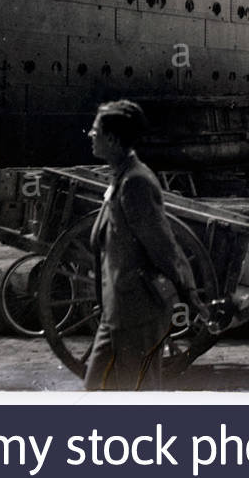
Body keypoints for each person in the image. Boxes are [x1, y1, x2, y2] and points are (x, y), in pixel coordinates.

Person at [84, 100, 207, 391]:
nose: (90, 134)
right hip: (117, 312)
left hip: (137, 314)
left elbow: (164, 247)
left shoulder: (135, 182)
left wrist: (189, 294)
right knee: (95, 391)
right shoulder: (121, 176)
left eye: (95, 130)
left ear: (112, 139)